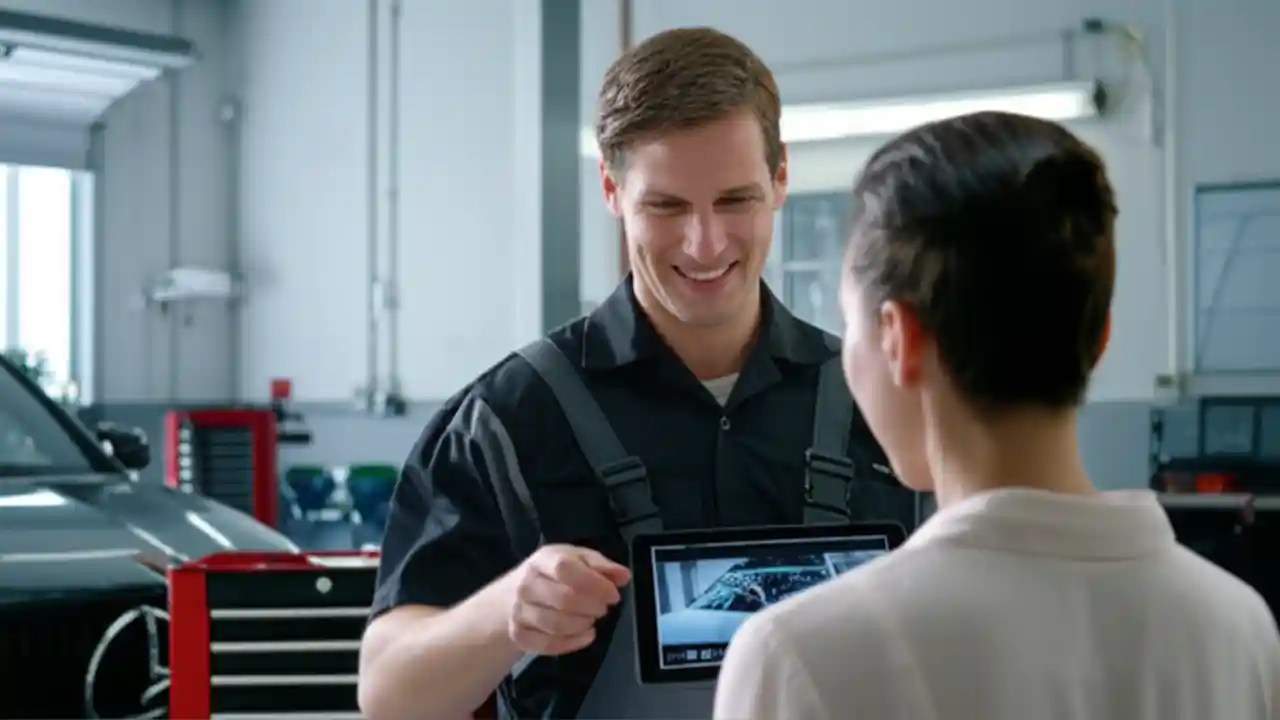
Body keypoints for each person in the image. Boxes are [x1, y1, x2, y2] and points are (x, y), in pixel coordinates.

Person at [356, 26, 915, 720]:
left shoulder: (882, 399)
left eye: (735, 200)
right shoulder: (509, 418)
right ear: (611, 189)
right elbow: (388, 693)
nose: (704, 243)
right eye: (666, 206)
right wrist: (506, 611)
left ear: (780, 179)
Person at [713, 110, 1280, 720]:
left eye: (850, 324)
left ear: (899, 338)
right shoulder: (1238, 627)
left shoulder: (799, 657)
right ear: (1100, 338)